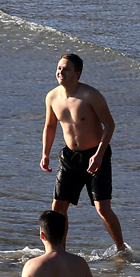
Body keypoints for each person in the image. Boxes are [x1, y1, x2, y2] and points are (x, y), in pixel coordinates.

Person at [41, 53, 126, 253]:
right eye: (59, 68)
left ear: (77, 73)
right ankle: (59, 251)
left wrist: (99, 155)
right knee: (58, 209)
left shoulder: (90, 95)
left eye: (66, 69)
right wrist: (45, 154)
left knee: (102, 209)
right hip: (69, 157)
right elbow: (50, 127)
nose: (60, 72)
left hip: (96, 155)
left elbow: (110, 125)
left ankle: (121, 250)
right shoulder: (52, 96)